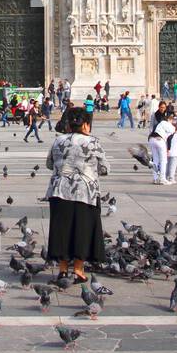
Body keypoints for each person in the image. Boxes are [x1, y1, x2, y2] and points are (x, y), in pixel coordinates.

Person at [45, 105, 109, 281]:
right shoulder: (92, 142)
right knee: (82, 229)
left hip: (59, 191)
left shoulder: (58, 141)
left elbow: (49, 164)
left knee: (61, 230)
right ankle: (78, 271)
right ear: (86, 124)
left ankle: (63, 269)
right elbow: (104, 168)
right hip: (84, 193)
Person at [148, 101, 172, 184]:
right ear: (158, 107)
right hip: (158, 138)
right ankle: (162, 178)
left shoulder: (166, 115)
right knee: (163, 160)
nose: (162, 109)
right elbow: (151, 126)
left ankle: (155, 178)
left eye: (164, 107)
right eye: (161, 107)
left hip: (154, 139)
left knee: (156, 159)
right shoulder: (155, 115)